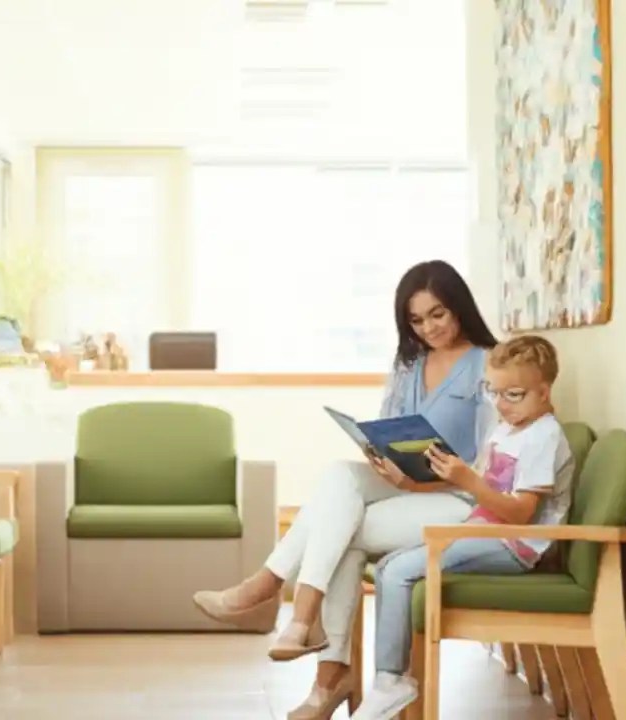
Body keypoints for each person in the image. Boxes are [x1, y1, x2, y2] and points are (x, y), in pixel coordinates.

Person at [193, 260, 498, 720]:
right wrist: (382, 458)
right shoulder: (408, 363)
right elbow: (388, 426)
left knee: (340, 530)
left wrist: (420, 480)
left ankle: (308, 645)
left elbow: (489, 467)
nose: (429, 328)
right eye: (416, 319)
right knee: (340, 477)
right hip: (403, 490)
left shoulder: (489, 364)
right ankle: (303, 633)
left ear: (458, 305)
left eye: (437, 314)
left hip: (457, 502)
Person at [350, 335, 575, 720]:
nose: (502, 405)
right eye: (494, 393)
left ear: (544, 391)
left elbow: (521, 514)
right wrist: (428, 478)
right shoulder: (507, 429)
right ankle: (389, 681)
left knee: (399, 569)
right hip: (485, 531)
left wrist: (469, 480)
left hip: (516, 546)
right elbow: (479, 485)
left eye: (514, 395)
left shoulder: (544, 436)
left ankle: (391, 680)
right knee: (392, 565)